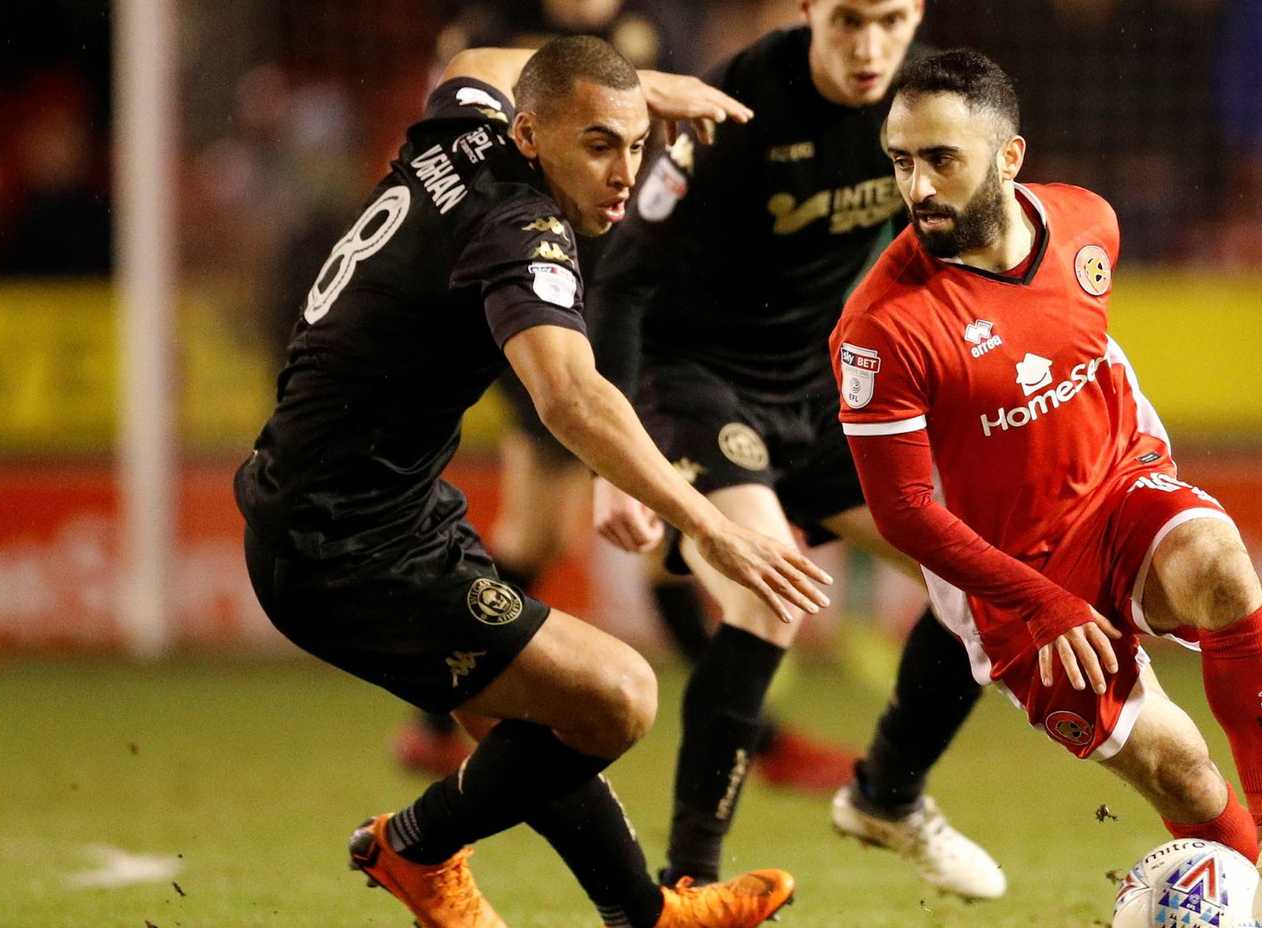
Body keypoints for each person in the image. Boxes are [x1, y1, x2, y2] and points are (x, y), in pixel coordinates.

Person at [235, 37, 833, 928]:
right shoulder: (521, 227)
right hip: (341, 547)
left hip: (376, 511)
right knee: (620, 697)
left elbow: (479, 57)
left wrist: (641, 89)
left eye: (636, 145)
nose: (624, 174)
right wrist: (709, 524)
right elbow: (571, 398)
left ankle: (642, 914)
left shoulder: (462, 132)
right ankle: (413, 846)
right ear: (529, 135)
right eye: (597, 145)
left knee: (538, 722)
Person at [828, 49, 1262, 928]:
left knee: (1218, 561)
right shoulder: (881, 328)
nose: (917, 187)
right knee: (1183, 772)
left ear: (1008, 157)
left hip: (1119, 490)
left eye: (941, 159)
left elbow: (1083, 350)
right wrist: (1041, 602)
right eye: (901, 161)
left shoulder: (1088, 224)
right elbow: (904, 513)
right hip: (1013, 582)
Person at [586, 0, 1001, 900]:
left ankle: (886, 795)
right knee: (771, 589)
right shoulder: (736, 105)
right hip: (691, 378)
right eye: (848, 20)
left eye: (890, 21)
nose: (869, 46)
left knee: (980, 580)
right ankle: (689, 888)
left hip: (813, 386)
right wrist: (608, 459)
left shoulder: (929, 105)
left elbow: (966, 249)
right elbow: (618, 284)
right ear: (810, 9)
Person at [394, 0, 855, 793]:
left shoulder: (653, 23)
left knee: (649, 556)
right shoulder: (492, 23)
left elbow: (671, 170)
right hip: (529, 297)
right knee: (544, 534)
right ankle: (440, 715)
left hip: (627, 307)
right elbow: (464, 110)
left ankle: (757, 739)